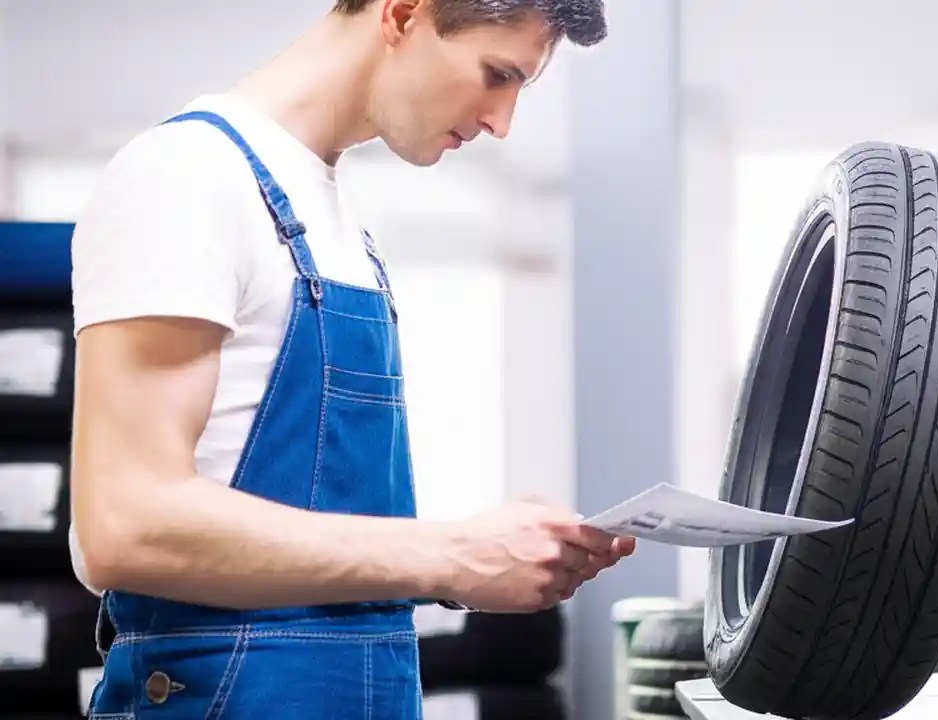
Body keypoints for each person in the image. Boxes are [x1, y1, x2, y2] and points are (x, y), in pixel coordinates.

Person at [69, 0, 634, 716]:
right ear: (402, 12)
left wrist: (493, 545)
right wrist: (453, 555)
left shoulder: (334, 222)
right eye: (498, 74)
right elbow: (122, 525)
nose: (501, 122)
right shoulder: (186, 177)